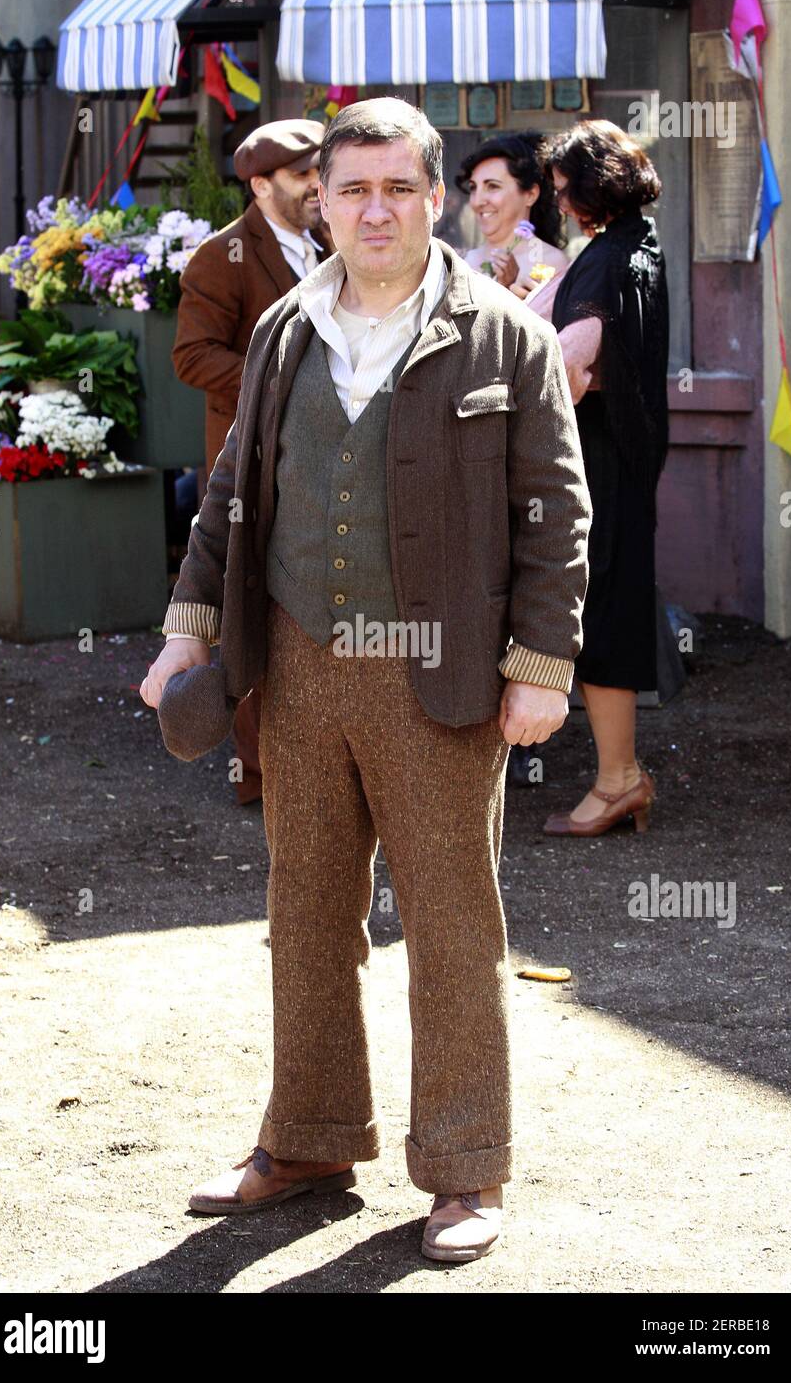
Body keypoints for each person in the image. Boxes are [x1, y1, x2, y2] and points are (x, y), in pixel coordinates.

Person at [140, 98, 591, 1264]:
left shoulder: (504, 333)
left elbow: (554, 518)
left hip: (439, 676)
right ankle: (308, 1138)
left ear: (433, 196)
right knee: (302, 919)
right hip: (293, 665)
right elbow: (234, 495)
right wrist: (186, 635)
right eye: (353, 189)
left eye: (399, 187)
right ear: (320, 200)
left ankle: (461, 1168)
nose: (375, 209)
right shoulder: (287, 328)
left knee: (449, 925)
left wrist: (540, 669)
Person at [169, 119, 333, 805]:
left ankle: (315, 756)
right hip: (248, 470)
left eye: (321, 173)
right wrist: (281, 379)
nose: (319, 187)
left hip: (322, 461)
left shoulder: (332, 241)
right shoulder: (221, 255)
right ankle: (258, 776)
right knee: (248, 614)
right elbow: (191, 356)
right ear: (261, 185)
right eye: (303, 177)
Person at [535, 120, 670, 837]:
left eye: (563, 189)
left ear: (591, 187)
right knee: (608, 606)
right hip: (628, 457)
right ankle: (622, 777)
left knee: (603, 612)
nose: (560, 203)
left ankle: (620, 779)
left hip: (601, 462)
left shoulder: (606, 261)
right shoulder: (639, 246)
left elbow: (569, 362)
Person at [456, 133, 568, 300]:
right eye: (473, 188)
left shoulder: (552, 264)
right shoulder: (462, 263)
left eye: (492, 186)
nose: (477, 201)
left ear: (530, 194)